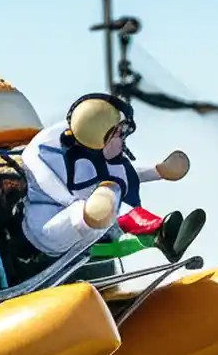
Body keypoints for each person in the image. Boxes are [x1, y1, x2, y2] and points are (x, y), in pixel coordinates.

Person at [17, 93, 204, 269]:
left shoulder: (103, 158)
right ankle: (154, 236)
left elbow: (125, 176)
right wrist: (76, 203)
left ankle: (163, 238)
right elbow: (42, 175)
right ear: (98, 137)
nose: (123, 140)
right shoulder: (55, 154)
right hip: (46, 231)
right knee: (97, 206)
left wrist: (158, 171)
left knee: (111, 200)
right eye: (119, 135)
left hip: (91, 230)